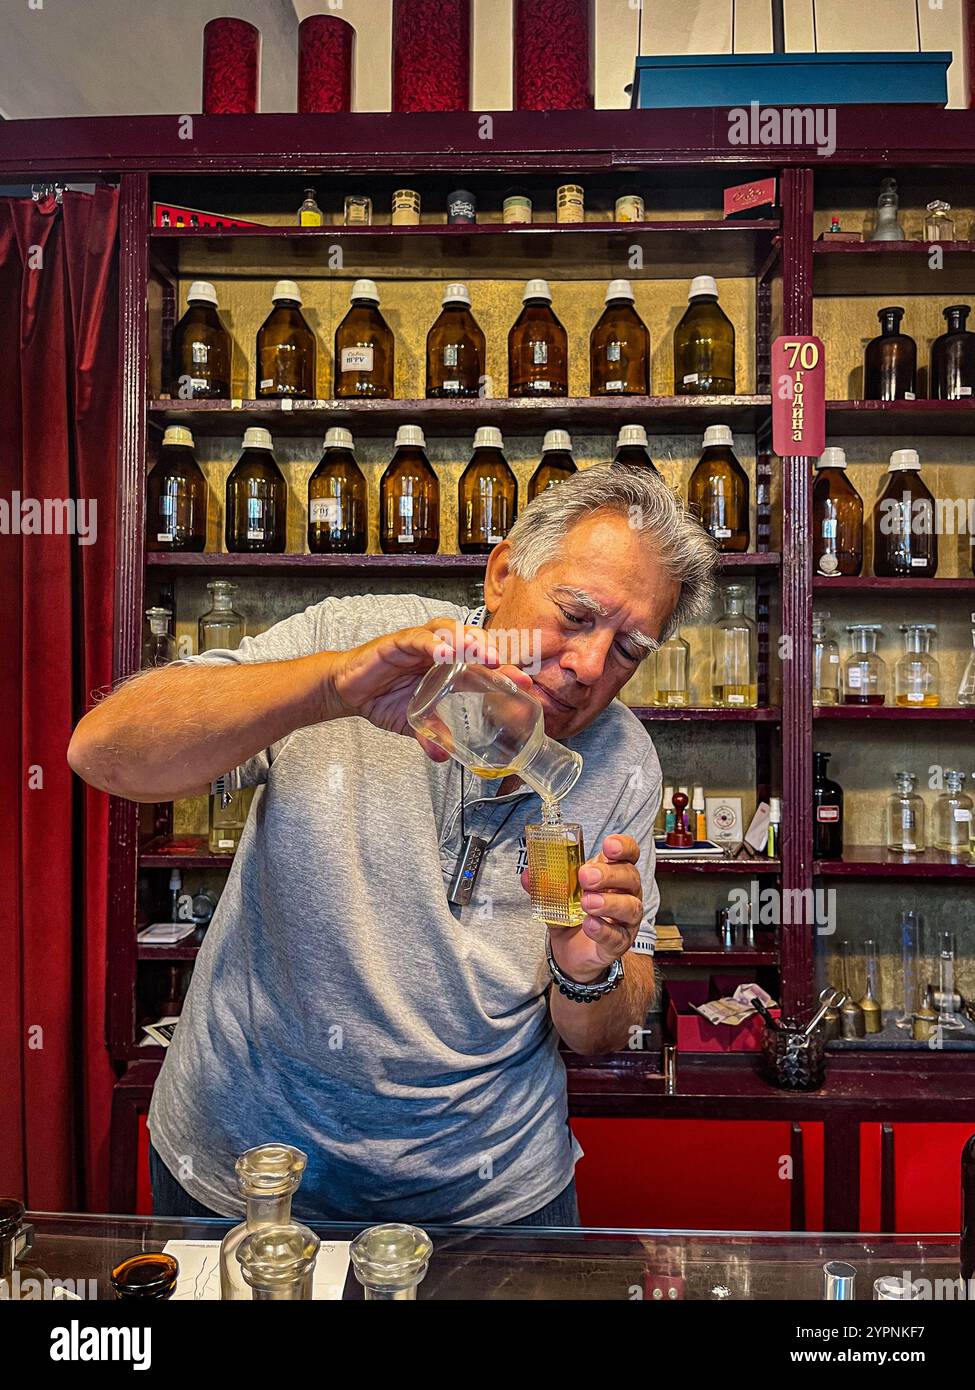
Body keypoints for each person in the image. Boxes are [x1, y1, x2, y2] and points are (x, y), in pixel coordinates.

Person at [69, 462, 716, 1226]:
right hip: (252, 1171)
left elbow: (599, 1035)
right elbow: (104, 754)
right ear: (504, 570)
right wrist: (329, 689)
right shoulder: (357, 639)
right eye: (574, 615)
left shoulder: (623, 760)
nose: (586, 667)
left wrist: (584, 972)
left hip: (490, 1193)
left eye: (627, 650)